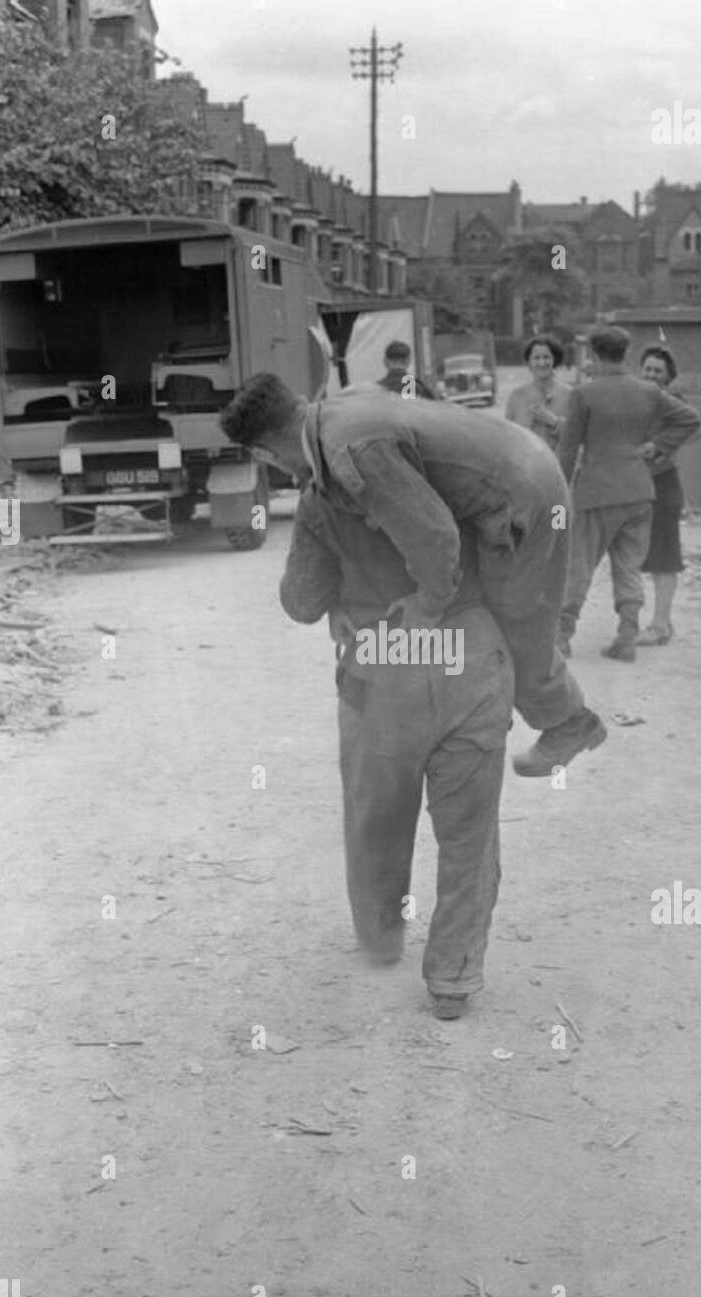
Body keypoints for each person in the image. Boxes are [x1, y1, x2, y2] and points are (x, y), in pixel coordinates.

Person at [220, 376, 515, 1020]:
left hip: (383, 676)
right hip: (473, 660)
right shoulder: (444, 472)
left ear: (271, 449)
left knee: (376, 817)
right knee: (469, 832)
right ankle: (453, 980)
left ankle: (382, 938)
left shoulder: (325, 497)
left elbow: (301, 604)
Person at [221, 374, 606, 782]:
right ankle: (493, 715)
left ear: (265, 454)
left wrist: (427, 604)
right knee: (489, 608)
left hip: (524, 493)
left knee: (515, 612)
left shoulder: (351, 451)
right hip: (517, 459)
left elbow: (436, 537)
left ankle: (568, 722)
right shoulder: (341, 409)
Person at [557, 326, 701, 662]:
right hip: (638, 489)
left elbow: (567, 450)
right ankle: (626, 636)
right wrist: (657, 447)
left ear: (594, 354)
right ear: (625, 353)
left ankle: (562, 638)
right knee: (629, 567)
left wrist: (560, 493)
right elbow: (691, 420)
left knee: (579, 567)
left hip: (596, 492)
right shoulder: (648, 392)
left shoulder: (584, 394)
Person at [636, 345, 701, 645]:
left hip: (664, 485)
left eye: (658, 371)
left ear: (668, 377)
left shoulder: (674, 403)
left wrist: (668, 446)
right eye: (647, 369)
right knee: (641, 557)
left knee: (664, 558)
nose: (652, 374)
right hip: (635, 486)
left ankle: (659, 625)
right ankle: (662, 621)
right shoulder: (634, 400)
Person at [505, 334, 567, 456]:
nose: (542, 362)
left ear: (555, 359)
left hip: (558, 469)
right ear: (528, 362)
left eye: (546, 357)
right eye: (536, 358)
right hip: (525, 467)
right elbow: (507, 437)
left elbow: (578, 437)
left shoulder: (571, 395)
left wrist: (554, 422)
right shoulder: (516, 396)